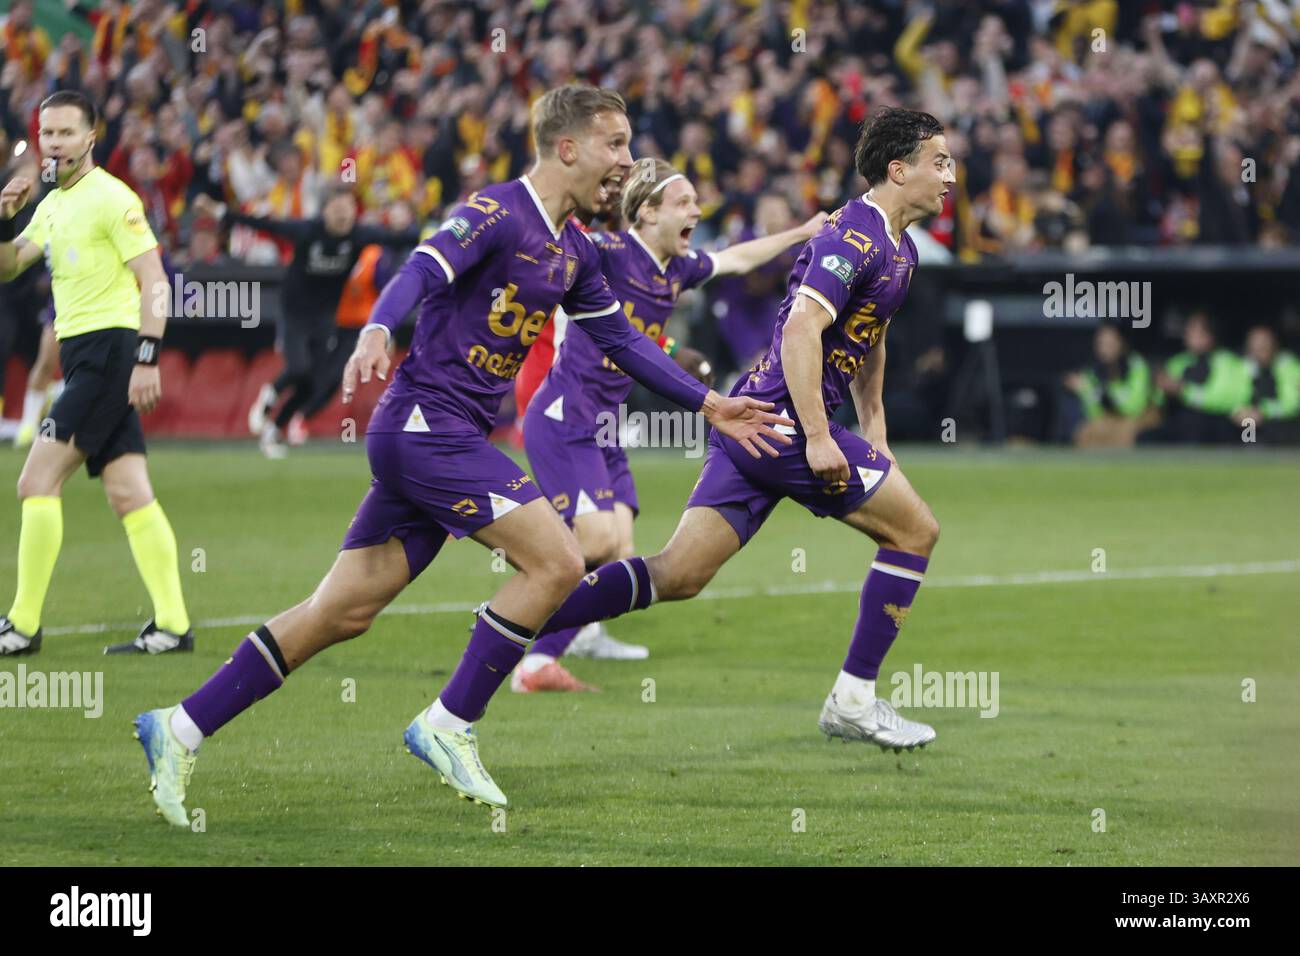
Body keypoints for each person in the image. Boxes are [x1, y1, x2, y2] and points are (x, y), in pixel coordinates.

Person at [131, 85, 792, 823]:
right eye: (615, 144)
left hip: (446, 439)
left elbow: (624, 342)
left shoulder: (574, 251)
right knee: (560, 559)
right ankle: (449, 721)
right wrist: (379, 328)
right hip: (424, 426)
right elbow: (418, 269)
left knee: (339, 611)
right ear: (567, 148)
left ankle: (179, 725)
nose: (626, 161)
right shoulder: (497, 211)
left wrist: (710, 405)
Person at [505, 106, 954, 752]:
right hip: (786, 425)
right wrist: (821, 435)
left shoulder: (900, 249)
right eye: (939, 162)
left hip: (752, 423)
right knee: (917, 533)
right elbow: (803, 327)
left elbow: (866, 339)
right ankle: (854, 697)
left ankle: (513, 620)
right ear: (898, 168)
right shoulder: (853, 235)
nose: (950, 177)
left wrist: (876, 431)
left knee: (677, 574)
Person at [515, 157, 826, 692]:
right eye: (683, 202)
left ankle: (581, 633)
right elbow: (554, 240)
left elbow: (732, 259)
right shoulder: (609, 254)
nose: (696, 211)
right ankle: (528, 653)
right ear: (647, 211)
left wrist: (799, 233)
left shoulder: (676, 269)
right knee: (595, 537)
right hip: (566, 415)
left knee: (619, 547)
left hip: (606, 424)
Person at [0, 90, 192, 657]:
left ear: (92, 136)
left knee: (35, 481)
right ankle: (173, 626)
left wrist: (147, 356)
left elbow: (155, 278)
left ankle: (22, 625)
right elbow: (11, 267)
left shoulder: (113, 198)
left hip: (110, 355)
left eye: (65, 133)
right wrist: (3, 218)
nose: (54, 143)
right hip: (84, 355)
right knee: (129, 493)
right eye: (47, 133)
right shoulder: (55, 203)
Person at [192, 185, 421, 458]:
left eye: (348, 209)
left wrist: (449, 228)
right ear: (324, 211)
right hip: (295, 313)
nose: (343, 215)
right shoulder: (306, 231)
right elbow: (263, 224)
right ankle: (270, 394)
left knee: (314, 383)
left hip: (325, 318)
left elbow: (401, 239)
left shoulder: (360, 236)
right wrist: (217, 210)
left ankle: (275, 429)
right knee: (299, 367)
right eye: (337, 208)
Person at [1141, 312, 1243, 444]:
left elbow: (1224, 399)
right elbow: (1160, 401)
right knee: (1145, 439)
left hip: (1214, 422)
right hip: (1179, 421)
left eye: (1196, 331)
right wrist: (1160, 389)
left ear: (1210, 335)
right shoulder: (1178, 362)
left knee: (1196, 426)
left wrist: (1184, 391)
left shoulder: (1227, 361)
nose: (1189, 335)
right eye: (1188, 331)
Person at [1059, 322, 1153, 447]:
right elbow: (1094, 413)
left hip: (1135, 419)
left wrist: (1094, 392)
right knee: (1085, 432)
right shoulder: (1091, 373)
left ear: (1122, 343)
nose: (1105, 349)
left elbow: (1135, 407)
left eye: (1111, 343)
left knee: (1127, 432)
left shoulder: (1136, 365)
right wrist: (1087, 390)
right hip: (1107, 421)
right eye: (1101, 343)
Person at [1230, 325, 1300, 444]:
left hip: (1282, 423)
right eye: (1256, 343)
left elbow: (1292, 404)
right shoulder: (1242, 368)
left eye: (1265, 342)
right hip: (1250, 423)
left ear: (1274, 344)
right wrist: (1238, 411)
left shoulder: (1290, 367)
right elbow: (1233, 396)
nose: (1261, 347)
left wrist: (1264, 412)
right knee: (1247, 424)